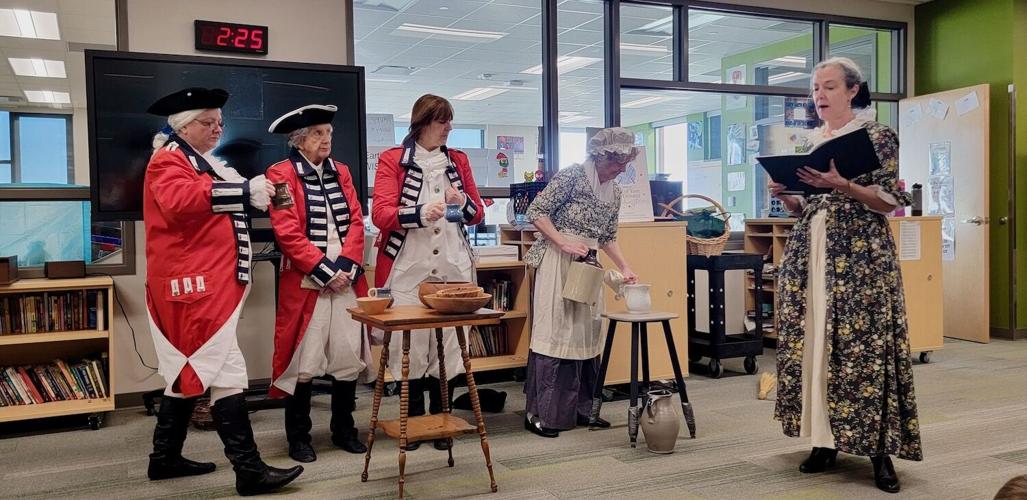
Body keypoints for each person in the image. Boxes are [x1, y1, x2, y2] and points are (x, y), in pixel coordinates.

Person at [769, 57, 922, 494]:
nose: (819, 95)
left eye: (830, 87)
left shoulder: (876, 135)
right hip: (811, 249)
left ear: (853, 90)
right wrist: (788, 196)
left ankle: (880, 452)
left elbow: (890, 200)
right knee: (815, 340)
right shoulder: (808, 139)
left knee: (865, 347)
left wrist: (844, 185)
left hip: (859, 254)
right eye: (816, 88)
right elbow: (808, 205)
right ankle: (824, 440)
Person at [143, 87, 303, 496]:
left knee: (187, 370)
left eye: (219, 123)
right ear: (183, 126)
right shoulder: (167, 162)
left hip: (202, 286)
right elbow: (182, 202)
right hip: (191, 289)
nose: (217, 129)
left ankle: (164, 459)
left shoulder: (197, 162)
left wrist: (252, 195)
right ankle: (249, 471)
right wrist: (243, 192)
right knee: (227, 370)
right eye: (207, 122)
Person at [371, 94, 485, 450]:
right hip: (408, 268)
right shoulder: (393, 161)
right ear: (422, 123)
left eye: (450, 121)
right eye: (442, 122)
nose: (449, 128)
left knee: (450, 345)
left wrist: (461, 202)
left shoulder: (459, 160)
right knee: (413, 347)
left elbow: (477, 213)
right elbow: (380, 214)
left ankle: (443, 421)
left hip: (454, 265)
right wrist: (420, 213)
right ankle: (413, 421)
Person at [266, 104, 374, 463]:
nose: (326, 139)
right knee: (305, 359)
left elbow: (357, 221)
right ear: (299, 140)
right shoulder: (280, 174)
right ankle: (299, 438)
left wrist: (345, 266)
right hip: (306, 281)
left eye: (328, 132)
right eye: (318, 133)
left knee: (347, 354)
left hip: (345, 278)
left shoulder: (341, 171)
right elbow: (287, 232)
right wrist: (324, 270)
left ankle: (344, 430)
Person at [521, 127, 639, 438]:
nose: (622, 169)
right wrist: (562, 242)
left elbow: (608, 236)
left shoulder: (615, 191)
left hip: (588, 264)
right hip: (558, 261)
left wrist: (625, 266)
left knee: (586, 331)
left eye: (626, 163)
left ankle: (584, 409)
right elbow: (537, 212)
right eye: (618, 163)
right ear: (601, 157)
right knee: (555, 330)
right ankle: (541, 413)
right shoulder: (571, 176)